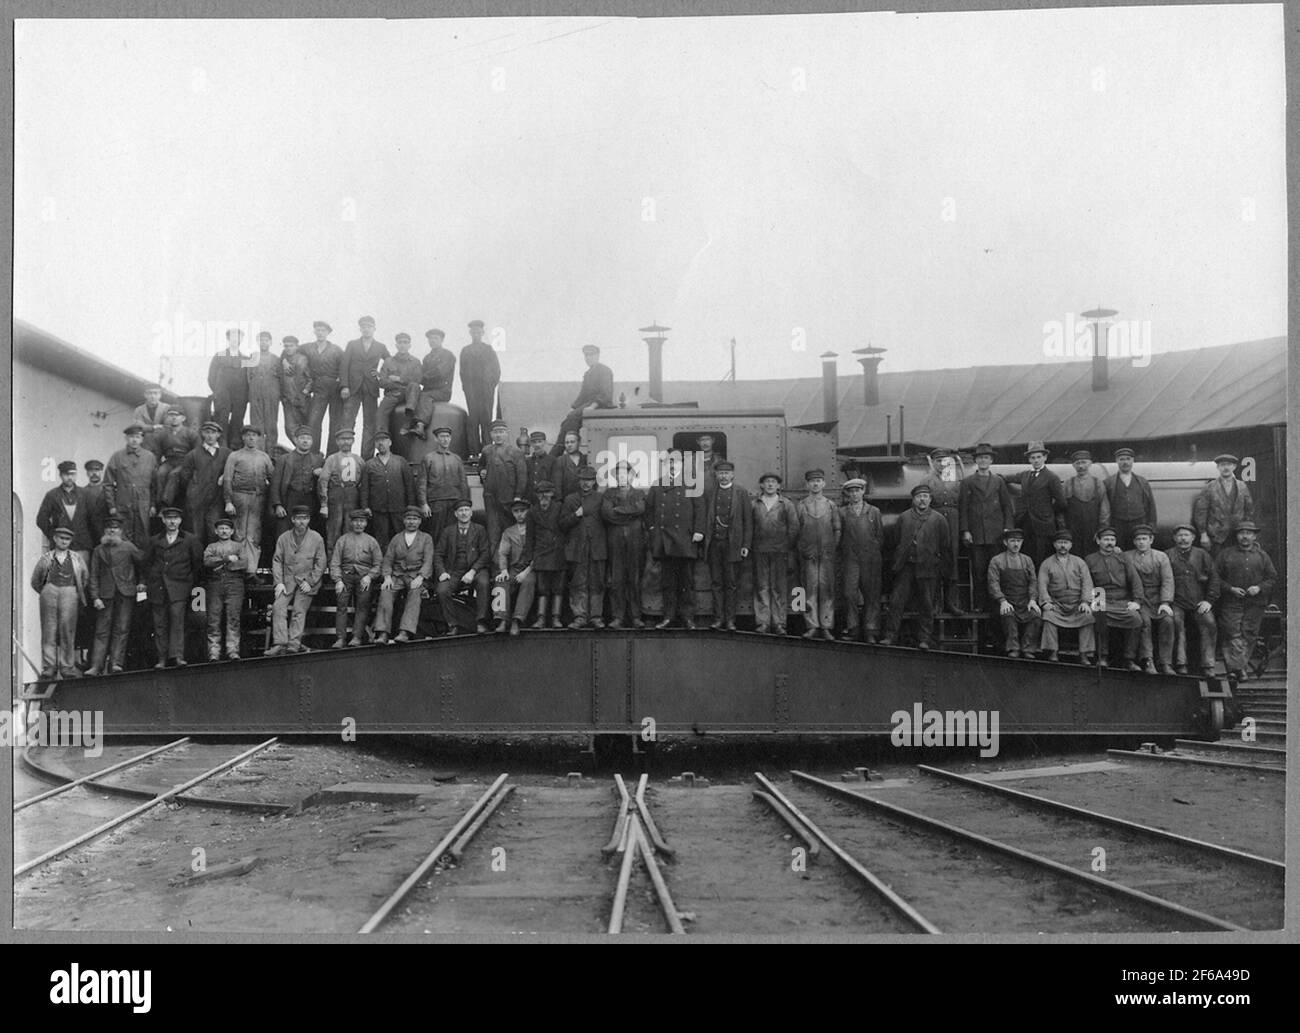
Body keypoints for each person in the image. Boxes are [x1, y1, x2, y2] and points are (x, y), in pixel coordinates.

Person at [881, 484, 951, 650]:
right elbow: (896, 540)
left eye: (926, 496)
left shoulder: (938, 519)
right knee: (897, 602)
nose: (922, 500)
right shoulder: (904, 518)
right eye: (919, 496)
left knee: (926, 604)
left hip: (928, 567)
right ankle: (890, 636)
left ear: (930, 499)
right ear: (913, 499)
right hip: (906, 566)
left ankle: (925, 639)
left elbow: (944, 544)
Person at [1214, 520, 1276, 686]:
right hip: (1231, 601)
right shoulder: (1225, 555)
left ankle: (1236, 669)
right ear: (1237, 536)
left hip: (1255, 603)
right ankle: (1237, 670)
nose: (1245, 536)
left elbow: (1272, 578)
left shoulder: (1262, 556)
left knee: (1249, 634)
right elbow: (1215, 578)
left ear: (1254, 535)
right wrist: (1230, 588)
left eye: (1249, 533)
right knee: (1232, 633)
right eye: (1241, 533)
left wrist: (1259, 587)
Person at [142, 506, 203, 668]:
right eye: (169, 518)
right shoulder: (154, 540)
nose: (172, 522)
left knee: (177, 622)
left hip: (179, 588)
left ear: (180, 521)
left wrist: (188, 582)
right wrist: (151, 581)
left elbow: (197, 563)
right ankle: (161, 659)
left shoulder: (190, 540)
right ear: (163, 520)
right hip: (158, 588)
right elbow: (146, 563)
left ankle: (177, 656)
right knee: (159, 624)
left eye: (175, 518)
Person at [958, 443, 1014, 619]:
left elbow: (1007, 506)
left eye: (986, 458)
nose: (983, 460)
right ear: (976, 461)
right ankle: (980, 605)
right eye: (980, 458)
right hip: (977, 534)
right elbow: (964, 508)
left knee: (996, 570)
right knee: (979, 571)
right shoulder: (968, 482)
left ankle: (996, 604)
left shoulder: (998, 481)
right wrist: (965, 530)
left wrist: (1008, 528)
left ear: (991, 460)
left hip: (995, 534)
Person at [266, 505, 327, 656]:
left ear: (309, 520)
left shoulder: (316, 538)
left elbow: (321, 563)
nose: (301, 522)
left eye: (305, 519)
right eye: (298, 519)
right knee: (278, 607)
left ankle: (294, 643)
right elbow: (277, 560)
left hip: (307, 582)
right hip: (287, 581)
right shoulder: (284, 538)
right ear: (292, 520)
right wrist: (278, 582)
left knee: (299, 610)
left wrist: (311, 581)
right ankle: (280, 643)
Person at [30, 526, 89, 679]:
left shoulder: (76, 558)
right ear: (55, 539)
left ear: (71, 541)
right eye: (61, 538)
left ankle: (67, 666)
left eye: (67, 539)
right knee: (49, 630)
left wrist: (74, 591)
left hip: (69, 592)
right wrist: (46, 591)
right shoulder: (46, 558)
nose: (64, 541)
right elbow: (36, 580)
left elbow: (84, 577)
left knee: (67, 629)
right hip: (50, 591)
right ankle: (49, 666)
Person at [1084, 527, 1147, 671]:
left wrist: (1137, 601)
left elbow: (1135, 580)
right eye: (1106, 539)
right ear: (1098, 541)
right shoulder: (1090, 559)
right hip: (1100, 594)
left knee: (1136, 619)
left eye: (1112, 540)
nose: (1109, 543)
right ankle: (1102, 656)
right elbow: (1088, 582)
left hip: (1122, 597)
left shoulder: (1123, 558)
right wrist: (1089, 601)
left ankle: (1129, 658)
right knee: (1100, 616)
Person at [85, 516, 141, 676]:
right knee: (101, 631)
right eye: (109, 528)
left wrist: (141, 582)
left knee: (122, 629)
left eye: (115, 528)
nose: (112, 530)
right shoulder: (98, 550)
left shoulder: (129, 547)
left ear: (120, 531)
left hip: (126, 593)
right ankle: (96, 666)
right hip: (105, 595)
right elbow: (93, 575)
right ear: (104, 531)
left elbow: (142, 565)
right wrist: (95, 597)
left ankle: (116, 663)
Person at [702, 460, 751, 632]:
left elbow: (747, 521)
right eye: (720, 473)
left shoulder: (741, 493)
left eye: (726, 473)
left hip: (733, 545)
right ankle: (718, 619)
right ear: (716, 475)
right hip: (714, 544)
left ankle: (730, 620)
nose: (723, 476)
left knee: (731, 583)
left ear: (732, 475)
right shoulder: (709, 492)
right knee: (716, 582)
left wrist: (745, 544)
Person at [1166, 523, 1220, 677]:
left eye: (1186, 535)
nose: (1183, 538)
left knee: (1209, 623)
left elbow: (1214, 579)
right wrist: (1166, 602)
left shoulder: (1202, 554)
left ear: (1193, 537)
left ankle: (1208, 665)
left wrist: (1208, 601)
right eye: (1180, 535)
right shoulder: (1167, 555)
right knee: (1176, 623)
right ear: (1174, 538)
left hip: (1199, 602)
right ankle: (1181, 663)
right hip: (1176, 602)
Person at [376, 506, 436, 643]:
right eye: (409, 519)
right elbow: (388, 560)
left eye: (415, 519)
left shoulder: (426, 538)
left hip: (416, 575)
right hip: (397, 575)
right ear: (404, 521)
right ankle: (383, 632)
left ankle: (404, 632)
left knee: (415, 593)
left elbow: (428, 560)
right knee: (386, 593)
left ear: (420, 521)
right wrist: (387, 577)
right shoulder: (397, 538)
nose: (411, 522)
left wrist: (421, 577)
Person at [1036, 529, 1095, 664]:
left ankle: (1084, 653)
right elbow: (1042, 584)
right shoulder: (1047, 563)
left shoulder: (1080, 562)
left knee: (1088, 616)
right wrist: (1046, 602)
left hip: (1076, 604)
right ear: (1054, 545)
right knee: (1048, 615)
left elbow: (1087, 583)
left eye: (1066, 543)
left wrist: (1085, 602)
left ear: (1071, 545)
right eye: (1060, 543)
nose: (1063, 546)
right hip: (1057, 603)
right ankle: (1052, 651)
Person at [434, 500, 492, 635]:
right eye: (461, 511)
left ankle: (481, 621)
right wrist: (442, 572)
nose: (464, 513)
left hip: (476, 569)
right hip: (454, 570)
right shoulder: (448, 531)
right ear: (455, 514)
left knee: (483, 583)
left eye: (466, 510)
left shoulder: (480, 529)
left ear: (471, 513)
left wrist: (472, 571)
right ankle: (452, 624)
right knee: (442, 590)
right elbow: (438, 554)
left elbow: (485, 554)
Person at [795, 468, 840, 639]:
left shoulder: (831, 505)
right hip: (808, 556)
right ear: (807, 484)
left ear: (824, 483)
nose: (815, 484)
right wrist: (802, 550)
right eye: (812, 481)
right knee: (807, 590)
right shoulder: (800, 505)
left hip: (826, 556)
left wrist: (832, 549)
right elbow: (795, 530)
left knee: (827, 590)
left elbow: (837, 529)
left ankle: (826, 626)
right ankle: (811, 625)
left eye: (819, 481)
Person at [560, 465, 607, 629]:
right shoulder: (570, 499)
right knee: (578, 583)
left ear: (594, 481)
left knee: (597, 582)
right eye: (583, 480)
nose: (586, 484)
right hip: (577, 548)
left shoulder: (601, 498)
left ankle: (596, 617)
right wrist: (576, 515)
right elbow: (562, 524)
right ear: (578, 481)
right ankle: (580, 616)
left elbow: (608, 520)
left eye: (589, 480)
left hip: (597, 547)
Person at [601, 461, 647, 629]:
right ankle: (618, 617)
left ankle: (636, 616)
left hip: (636, 542)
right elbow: (607, 514)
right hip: (615, 541)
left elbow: (640, 509)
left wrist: (619, 510)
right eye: (618, 474)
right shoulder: (608, 493)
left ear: (631, 475)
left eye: (625, 474)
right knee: (617, 579)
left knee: (634, 579)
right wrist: (630, 513)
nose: (622, 477)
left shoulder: (639, 493)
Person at [751, 472, 798, 635]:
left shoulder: (786, 504)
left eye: (773, 482)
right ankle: (763, 622)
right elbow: (750, 527)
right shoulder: (755, 504)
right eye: (767, 482)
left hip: (780, 551)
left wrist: (786, 547)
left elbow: (793, 528)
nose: (770, 484)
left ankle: (779, 623)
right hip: (760, 551)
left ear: (778, 486)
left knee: (779, 587)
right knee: (762, 587)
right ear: (762, 485)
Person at [838, 477, 884, 643]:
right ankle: (853, 628)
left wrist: (872, 553)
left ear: (863, 492)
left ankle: (871, 629)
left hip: (870, 560)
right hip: (850, 559)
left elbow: (880, 537)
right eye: (851, 491)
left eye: (857, 491)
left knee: (872, 595)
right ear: (848, 494)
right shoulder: (842, 512)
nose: (855, 494)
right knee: (849, 594)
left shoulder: (874, 512)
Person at [330, 509, 384, 647]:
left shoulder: (371, 541)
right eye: (356, 521)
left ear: (366, 523)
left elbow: (378, 564)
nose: (359, 524)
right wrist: (338, 580)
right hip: (345, 577)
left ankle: (357, 637)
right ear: (351, 522)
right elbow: (335, 563)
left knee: (363, 605)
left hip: (364, 578)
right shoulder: (343, 540)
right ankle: (340, 638)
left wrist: (370, 577)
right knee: (341, 605)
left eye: (362, 521)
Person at [1127, 524, 1176, 674]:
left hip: (1158, 599)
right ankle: (1148, 660)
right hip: (1139, 599)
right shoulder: (1127, 556)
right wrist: (1135, 600)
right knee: (1144, 622)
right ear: (1134, 542)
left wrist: (1165, 602)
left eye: (1144, 539)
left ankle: (1166, 662)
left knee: (1167, 621)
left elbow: (1168, 580)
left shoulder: (1161, 557)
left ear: (1151, 540)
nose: (1141, 542)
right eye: (1138, 539)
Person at [986, 528, 1042, 658]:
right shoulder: (997, 560)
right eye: (1012, 541)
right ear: (1006, 543)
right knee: (1008, 615)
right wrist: (1002, 601)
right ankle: (1013, 648)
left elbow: (1033, 581)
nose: (1016, 544)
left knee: (1035, 615)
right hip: (1005, 600)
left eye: (1019, 541)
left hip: (1024, 601)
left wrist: (1033, 599)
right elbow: (993, 583)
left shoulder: (1027, 560)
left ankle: (1028, 648)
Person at [170, 421, 229, 543]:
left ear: (218, 435)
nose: (210, 436)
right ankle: (196, 561)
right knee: (196, 535)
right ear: (202, 434)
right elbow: (184, 477)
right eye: (207, 432)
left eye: (213, 433)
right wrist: (194, 490)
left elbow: (232, 471)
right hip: (196, 501)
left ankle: (212, 561)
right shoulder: (193, 454)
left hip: (216, 501)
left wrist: (224, 476)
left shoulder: (226, 453)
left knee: (214, 533)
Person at [920, 448, 964, 614]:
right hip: (935, 519)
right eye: (938, 460)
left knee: (951, 558)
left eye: (944, 460)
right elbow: (921, 504)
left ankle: (951, 603)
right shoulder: (926, 480)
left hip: (953, 520)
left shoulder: (956, 479)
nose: (941, 464)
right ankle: (935, 603)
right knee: (935, 558)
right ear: (933, 462)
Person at [222, 425, 275, 559]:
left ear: (258, 438)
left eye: (254, 435)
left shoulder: (264, 457)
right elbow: (227, 479)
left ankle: (251, 571)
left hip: (258, 499)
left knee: (254, 534)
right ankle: (239, 570)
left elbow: (272, 478)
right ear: (243, 437)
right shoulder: (234, 456)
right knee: (239, 533)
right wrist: (228, 502)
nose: (251, 438)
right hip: (239, 497)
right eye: (248, 435)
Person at [340, 315, 389, 460]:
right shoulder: (352, 344)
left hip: (371, 388)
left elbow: (390, 362)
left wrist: (381, 374)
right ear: (360, 329)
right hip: (352, 389)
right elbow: (344, 365)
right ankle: (344, 455)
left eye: (369, 326)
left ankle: (366, 459)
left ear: (374, 329)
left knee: (370, 424)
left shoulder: (380, 346)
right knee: (347, 422)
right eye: (364, 327)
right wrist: (344, 386)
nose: (366, 329)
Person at [202, 516, 248, 662]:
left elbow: (243, 564)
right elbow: (207, 562)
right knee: (213, 619)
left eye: (227, 528)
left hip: (235, 584)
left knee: (233, 618)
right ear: (216, 531)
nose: (224, 531)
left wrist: (221, 564)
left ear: (232, 531)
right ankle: (213, 652)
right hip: (215, 584)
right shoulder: (211, 547)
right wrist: (227, 559)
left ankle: (232, 650)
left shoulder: (239, 546)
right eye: (221, 528)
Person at [360, 429, 414, 552]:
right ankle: (383, 566)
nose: (381, 443)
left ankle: (400, 565)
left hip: (399, 507)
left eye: (383, 440)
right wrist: (365, 506)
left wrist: (410, 505)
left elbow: (409, 486)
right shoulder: (369, 465)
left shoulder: (400, 461)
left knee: (401, 537)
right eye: (378, 441)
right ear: (375, 445)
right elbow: (365, 488)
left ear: (389, 442)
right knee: (381, 539)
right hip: (379, 509)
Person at [103, 423, 158, 544]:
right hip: (123, 504)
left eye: (137, 437)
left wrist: (153, 504)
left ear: (142, 439)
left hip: (143, 505)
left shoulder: (150, 457)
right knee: (123, 538)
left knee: (143, 538)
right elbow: (108, 483)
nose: (134, 440)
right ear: (126, 438)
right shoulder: (117, 457)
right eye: (131, 437)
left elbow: (154, 484)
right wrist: (111, 505)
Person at [479, 419, 528, 552]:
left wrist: (518, 496)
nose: (498, 435)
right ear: (491, 434)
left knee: (510, 531)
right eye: (495, 432)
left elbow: (522, 475)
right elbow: (481, 465)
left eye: (501, 432)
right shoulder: (487, 450)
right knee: (493, 532)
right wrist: (481, 472)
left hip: (509, 499)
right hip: (491, 499)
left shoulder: (516, 452)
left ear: (507, 433)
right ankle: (495, 567)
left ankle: (510, 564)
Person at [1192, 454, 1255, 557]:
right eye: (1222, 465)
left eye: (1229, 464)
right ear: (1218, 467)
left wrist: (1246, 532)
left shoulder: (1242, 486)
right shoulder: (1209, 487)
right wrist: (1203, 534)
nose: (1226, 468)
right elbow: (1200, 512)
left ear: (1234, 467)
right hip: (1216, 537)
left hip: (1237, 536)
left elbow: (1249, 510)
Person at [417, 426, 470, 546]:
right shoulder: (428, 458)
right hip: (436, 503)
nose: (445, 439)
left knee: (453, 534)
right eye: (442, 437)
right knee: (436, 534)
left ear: (450, 439)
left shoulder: (456, 459)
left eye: (447, 436)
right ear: (436, 439)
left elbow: (463, 483)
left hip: (454, 503)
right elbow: (422, 483)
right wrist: (423, 504)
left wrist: (464, 504)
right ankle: (435, 563)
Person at [37, 461, 96, 566]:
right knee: (61, 579)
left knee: (82, 578)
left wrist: (89, 539)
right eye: (66, 474)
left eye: (73, 474)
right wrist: (53, 536)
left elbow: (94, 520)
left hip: (82, 547)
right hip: (60, 548)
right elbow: (41, 519)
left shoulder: (85, 494)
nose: (70, 477)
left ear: (76, 475)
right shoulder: (52, 495)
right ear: (60, 475)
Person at [556, 344, 615, 449]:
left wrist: (592, 406)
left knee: (573, 418)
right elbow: (583, 394)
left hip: (601, 404)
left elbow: (605, 393)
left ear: (597, 355)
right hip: (589, 404)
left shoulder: (604, 371)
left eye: (591, 355)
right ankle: (560, 448)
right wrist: (574, 407)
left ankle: (570, 447)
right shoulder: (588, 373)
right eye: (586, 356)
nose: (588, 358)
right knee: (567, 421)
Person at [1017, 441, 1065, 568]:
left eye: (1039, 457)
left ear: (1045, 457)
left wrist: (1048, 512)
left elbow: (1062, 502)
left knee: (1042, 558)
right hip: (1027, 524)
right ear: (1029, 459)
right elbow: (1007, 478)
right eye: (1033, 458)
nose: (1036, 460)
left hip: (1044, 525)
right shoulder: (1025, 475)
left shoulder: (1051, 477)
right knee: (1028, 556)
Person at [270, 427, 324, 540]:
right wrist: (277, 504)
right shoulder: (284, 459)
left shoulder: (318, 460)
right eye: (302, 438)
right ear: (296, 440)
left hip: (310, 500)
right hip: (290, 498)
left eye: (308, 438)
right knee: (284, 532)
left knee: (308, 533)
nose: (305, 441)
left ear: (312, 441)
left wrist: (321, 473)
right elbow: (275, 483)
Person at [404, 328, 457, 440]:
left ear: (441, 340)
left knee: (424, 396)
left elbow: (440, 372)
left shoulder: (448, 355)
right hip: (429, 389)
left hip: (442, 390)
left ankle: (420, 427)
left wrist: (423, 377)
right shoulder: (427, 358)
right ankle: (409, 418)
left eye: (435, 338)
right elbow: (419, 375)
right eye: (430, 338)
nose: (432, 341)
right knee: (413, 386)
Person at [318, 427, 363, 554]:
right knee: (334, 530)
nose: (346, 442)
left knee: (351, 530)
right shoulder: (332, 459)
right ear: (337, 442)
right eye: (343, 439)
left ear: (353, 441)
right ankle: (333, 566)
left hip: (352, 496)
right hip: (336, 495)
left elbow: (363, 482)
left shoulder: (358, 460)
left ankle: (348, 564)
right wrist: (324, 504)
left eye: (349, 439)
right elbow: (323, 481)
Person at [495, 498, 536, 635]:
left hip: (531, 568)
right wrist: (504, 570)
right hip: (514, 568)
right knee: (500, 582)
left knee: (528, 582)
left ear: (528, 511)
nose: (519, 514)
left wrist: (526, 572)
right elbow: (502, 553)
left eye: (522, 511)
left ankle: (517, 620)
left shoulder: (535, 529)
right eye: (516, 511)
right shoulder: (509, 532)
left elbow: (540, 553)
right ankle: (502, 619)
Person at [460, 319, 501, 458]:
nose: (476, 334)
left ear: (482, 333)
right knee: (473, 421)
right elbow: (462, 372)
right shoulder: (465, 351)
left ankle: (487, 451)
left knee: (486, 420)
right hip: (472, 391)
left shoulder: (488, 350)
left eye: (478, 331)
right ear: (470, 333)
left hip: (486, 391)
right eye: (473, 332)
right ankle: (474, 453)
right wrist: (467, 388)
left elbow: (496, 371)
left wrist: (489, 386)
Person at [529, 481, 567, 629]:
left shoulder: (559, 508)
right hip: (541, 554)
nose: (543, 497)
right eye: (540, 494)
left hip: (558, 552)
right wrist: (530, 557)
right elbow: (530, 536)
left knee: (558, 587)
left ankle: (556, 618)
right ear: (537, 496)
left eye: (546, 494)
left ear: (552, 495)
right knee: (542, 588)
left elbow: (565, 527)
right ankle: (541, 619)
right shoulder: (533, 511)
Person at [1104, 447, 1157, 550]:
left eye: (1128, 459)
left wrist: (1152, 525)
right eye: (1122, 459)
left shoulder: (1142, 482)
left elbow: (1151, 505)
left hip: (1139, 522)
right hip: (1117, 524)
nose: (1125, 462)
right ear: (1117, 461)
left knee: (1138, 549)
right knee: (1119, 550)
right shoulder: (1109, 482)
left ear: (1133, 461)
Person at [305, 320, 345, 454]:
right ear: (314, 331)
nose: (320, 333)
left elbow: (345, 367)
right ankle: (313, 454)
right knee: (313, 421)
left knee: (335, 423)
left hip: (334, 388)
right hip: (318, 388)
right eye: (318, 330)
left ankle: (331, 455)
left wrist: (343, 384)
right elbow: (290, 352)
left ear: (328, 333)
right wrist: (286, 361)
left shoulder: (336, 349)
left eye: (323, 330)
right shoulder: (308, 348)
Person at [375, 332, 422, 442]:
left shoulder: (415, 362)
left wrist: (399, 379)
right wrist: (397, 385)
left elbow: (417, 380)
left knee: (414, 389)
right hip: (393, 394)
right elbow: (381, 381)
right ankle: (383, 440)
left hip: (410, 394)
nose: (402, 345)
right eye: (400, 342)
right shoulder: (388, 361)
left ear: (409, 345)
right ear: (396, 345)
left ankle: (408, 420)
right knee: (380, 414)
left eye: (405, 343)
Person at [1062, 450, 1109, 556]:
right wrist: (1064, 529)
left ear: (1090, 463)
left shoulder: (1098, 483)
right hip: (1073, 530)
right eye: (1077, 463)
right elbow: (1060, 508)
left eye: (1083, 462)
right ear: (1073, 465)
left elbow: (1104, 509)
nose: (1081, 466)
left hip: (1093, 530)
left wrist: (1102, 530)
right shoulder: (1068, 484)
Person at [208, 328, 250, 442]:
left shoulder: (246, 359)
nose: (235, 340)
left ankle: (235, 446)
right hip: (223, 394)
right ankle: (221, 446)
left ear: (241, 339)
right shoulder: (219, 356)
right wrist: (218, 391)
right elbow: (211, 377)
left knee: (237, 420)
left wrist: (245, 396)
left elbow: (249, 379)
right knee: (221, 419)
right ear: (228, 338)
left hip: (240, 396)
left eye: (238, 337)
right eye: (232, 337)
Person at [151, 408, 199, 505]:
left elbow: (197, 452)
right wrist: (156, 465)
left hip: (184, 462)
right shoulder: (163, 434)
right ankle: (158, 503)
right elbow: (157, 452)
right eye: (171, 415)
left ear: (183, 418)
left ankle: (166, 502)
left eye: (176, 415)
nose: (173, 418)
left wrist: (192, 467)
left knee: (174, 474)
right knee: (160, 473)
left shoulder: (190, 433)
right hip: (169, 461)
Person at [247, 331, 282, 450]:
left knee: (271, 424)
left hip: (271, 394)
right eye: (261, 340)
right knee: (256, 424)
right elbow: (248, 377)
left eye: (266, 340)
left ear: (270, 342)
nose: (263, 343)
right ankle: (258, 451)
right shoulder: (252, 357)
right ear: (258, 342)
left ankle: (270, 454)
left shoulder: (276, 359)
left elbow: (281, 377)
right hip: (256, 393)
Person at [279, 334, 313, 441]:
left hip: (303, 399)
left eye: (291, 346)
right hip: (288, 400)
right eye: (286, 346)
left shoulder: (303, 359)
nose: (288, 348)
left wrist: (305, 391)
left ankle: (308, 452)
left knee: (306, 427)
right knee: (290, 429)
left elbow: (311, 378)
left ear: (297, 346)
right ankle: (299, 449)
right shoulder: (282, 361)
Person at [131, 384, 169, 452]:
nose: (153, 396)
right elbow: (138, 426)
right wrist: (153, 427)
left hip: (162, 444)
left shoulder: (166, 408)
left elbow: (168, 426)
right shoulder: (139, 410)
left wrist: (147, 428)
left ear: (160, 395)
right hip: (144, 444)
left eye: (155, 393)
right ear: (145, 395)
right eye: (150, 393)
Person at [554, 430, 588, 500]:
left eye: (572, 442)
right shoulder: (560, 460)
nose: (569, 445)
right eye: (567, 442)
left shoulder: (586, 460)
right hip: (566, 501)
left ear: (579, 442)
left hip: (585, 500)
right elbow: (557, 485)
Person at [525, 431, 558, 502]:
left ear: (545, 443)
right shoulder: (528, 461)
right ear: (531, 444)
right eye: (534, 442)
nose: (537, 445)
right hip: (530, 500)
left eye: (540, 441)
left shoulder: (552, 460)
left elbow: (555, 483)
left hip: (546, 500)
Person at [82, 459, 109, 544]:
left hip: (106, 532)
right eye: (91, 470)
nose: (94, 473)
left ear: (101, 471)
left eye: (97, 470)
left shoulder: (109, 490)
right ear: (87, 473)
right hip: (89, 534)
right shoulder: (82, 493)